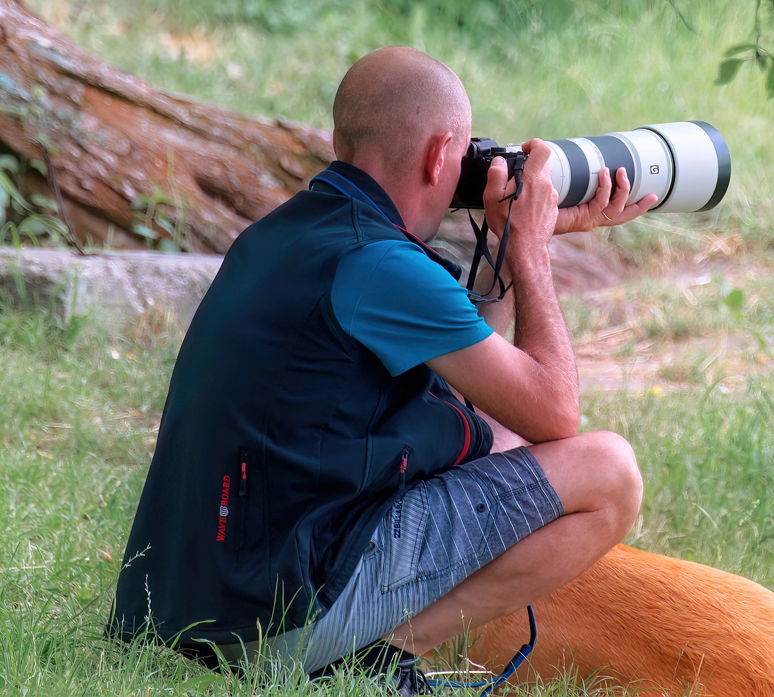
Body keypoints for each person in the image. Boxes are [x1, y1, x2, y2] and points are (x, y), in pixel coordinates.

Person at [108, 46, 656, 692]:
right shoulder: (380, 263)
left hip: (186, 610)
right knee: (608, 473)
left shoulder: (289, 234)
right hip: (266, 629)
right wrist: (534, 253)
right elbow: (556, 412)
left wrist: (509, 248)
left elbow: (487, 397)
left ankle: (345, 645)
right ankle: (366, 655)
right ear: (438, 154)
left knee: (500, 440)